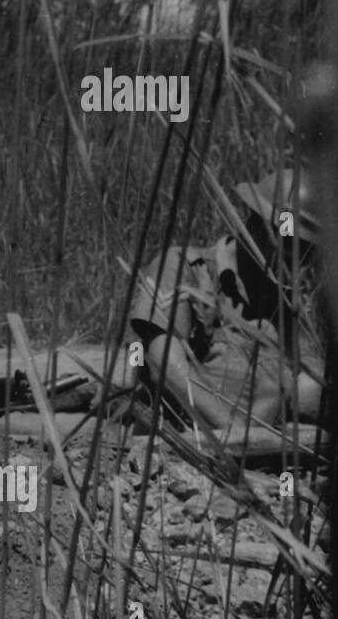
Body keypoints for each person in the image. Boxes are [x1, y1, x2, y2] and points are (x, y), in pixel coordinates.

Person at [129, 166, 326, 432]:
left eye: (307, 249)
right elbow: (165, 368)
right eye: (291, 244)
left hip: (260, 443)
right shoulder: (185, 268)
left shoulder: (289, 304)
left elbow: (299, 385)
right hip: (184, 435)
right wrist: (231, 433)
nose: (298, 259)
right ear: (256, 225)